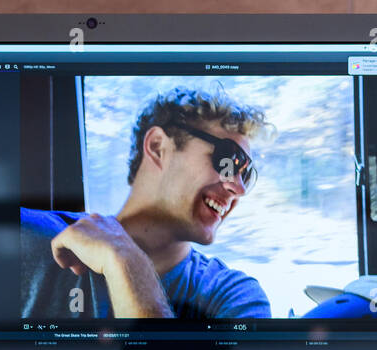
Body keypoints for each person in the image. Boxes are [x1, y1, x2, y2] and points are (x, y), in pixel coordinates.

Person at [20, 87, 273, 320]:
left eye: (247, 175)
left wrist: (128, 260)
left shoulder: (235, 298)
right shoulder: (26, 240)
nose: (238, 188)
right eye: (229, 160)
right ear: (157, 147)